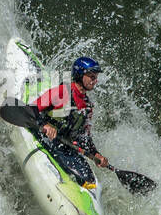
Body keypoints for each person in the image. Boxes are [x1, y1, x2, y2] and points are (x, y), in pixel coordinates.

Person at [29, 56, 109, 187]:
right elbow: (32, 109)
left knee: (89, 177)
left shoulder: (88, 106)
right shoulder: (63, 92)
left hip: (64, 145)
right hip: (44, 137)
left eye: (96, 77)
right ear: (79, 75)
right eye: (92, 77)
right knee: (72, 171)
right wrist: (45, 125)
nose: (95, 81)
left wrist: (96, 155)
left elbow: (84, 138)